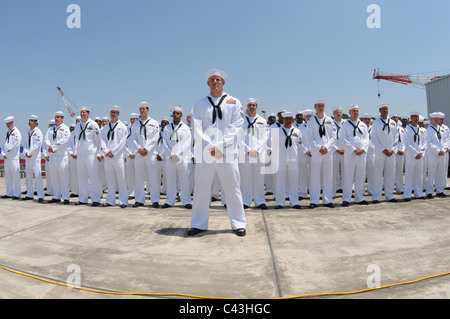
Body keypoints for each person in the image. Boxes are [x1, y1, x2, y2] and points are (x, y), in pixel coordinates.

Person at [188, 69, 247, 237]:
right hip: (205, 152)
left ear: (223, 83)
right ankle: (198, 223)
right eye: (212, 79)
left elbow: (236, 127)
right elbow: (197, 129)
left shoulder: (233, 102)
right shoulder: (199, 104)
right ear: (208, 83)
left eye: (218, 79)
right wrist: (209, 146)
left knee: (232, 187)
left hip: (226, 152)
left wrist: (220, 146)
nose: (215, 82)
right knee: (201, 188)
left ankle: (238, 223)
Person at [238, 98, 269, 210]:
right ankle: (246, 201)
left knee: (259, 179)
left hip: (258, 153)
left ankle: (260, 200)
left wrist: (256, 150)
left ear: (257, 107)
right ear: (247, 107)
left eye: (254, 105)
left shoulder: (262, 120)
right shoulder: (241, 121)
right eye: (250, 105)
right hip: (245, 154)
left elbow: (264, 137)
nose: (252, 107)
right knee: (245, 179)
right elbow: (238, 137)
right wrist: (247, 150)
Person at [306, 98, 337, 208]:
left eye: (322, 105)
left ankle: (327, 200)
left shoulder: (329, 119)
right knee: (315, 177)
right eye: (318, 105)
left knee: (328, 176)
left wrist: (327, 147)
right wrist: (319, 147)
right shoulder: (311, 121)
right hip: (316, 152)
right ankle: (314, 200)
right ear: (315, 107)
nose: (320, 107)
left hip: (327, 152)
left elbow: (334, 136)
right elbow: (309, 137)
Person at [130, 102, 161, 208]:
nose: (142, 111)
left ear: (148, 110)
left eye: (144, 109)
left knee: (153, 177)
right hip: (139, 154)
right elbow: (133, 138)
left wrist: (146, 148)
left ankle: (155, 200)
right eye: (140, 109)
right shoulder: (136, 124)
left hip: (150, 153)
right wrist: (139, 148)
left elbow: (155, 137)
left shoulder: (154, 123)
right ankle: (139, 199)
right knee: (139, 177)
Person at [161, 106, 192, 209]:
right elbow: (164, 142)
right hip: (170, 158)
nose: (175, 115)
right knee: (170, 179)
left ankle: (186, 201)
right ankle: (170, 200)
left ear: (181, 115)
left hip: (182, 158)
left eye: (177, 113)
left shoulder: (185, 128)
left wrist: (178, 155)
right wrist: (170, 155)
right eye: (174, 113)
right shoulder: (167, 128)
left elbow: (187, 143)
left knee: (184, 180)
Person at [99, 105, 128, 208]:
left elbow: (123, 141)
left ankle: (123, 200)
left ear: (118, 114)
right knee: (110, 179)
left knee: (121, 179)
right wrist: (106, 151)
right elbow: (102, 140)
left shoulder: (122, 126)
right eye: (111, 112)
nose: (113, 114)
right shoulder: (105, 127)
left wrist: (114, 152)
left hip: (118, 156)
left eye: (115, 112)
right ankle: (110, 200)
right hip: (107, 156)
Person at [271, 112, 301, 209]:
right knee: (280, 183)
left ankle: (294, 202)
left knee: (294, 182)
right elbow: (273, 145)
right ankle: (279, 203)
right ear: (283, 120)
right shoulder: (277, 131)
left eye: (290, 119)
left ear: (293, 120)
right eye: (286, 119)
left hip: (293, 160)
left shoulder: (297, 131)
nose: (288, 120)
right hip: (281, 160)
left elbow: (300, 145)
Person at [73, 106, 103, 206]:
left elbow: (98, 140)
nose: (82, 114)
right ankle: (83, 198)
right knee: (81, 177)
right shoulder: (77, 125)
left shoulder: (93, 124)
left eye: (84, 112)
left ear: (88, 113)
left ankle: (96, 199)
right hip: (80, 154)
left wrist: (97, 152)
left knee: (93, 177)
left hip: (90, 154)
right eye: (81, 112)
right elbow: (76, 140)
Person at [340, 105, 370, 206]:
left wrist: (362, 149)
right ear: (349, 112)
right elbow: (343, 139)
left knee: (360, 177)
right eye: (353, 111)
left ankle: (359, 197)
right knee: (348, 177)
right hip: (350, 154)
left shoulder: (363, 125)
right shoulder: (345, 124)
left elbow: (366, 139)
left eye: (357, 111)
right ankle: (346, 198)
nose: (355, 113)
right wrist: (353, 149)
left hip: (361, 154)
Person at [370, 103, 399, 203]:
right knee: (378, 174)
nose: (385, 111)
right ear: (380, 110)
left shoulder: (392, 123)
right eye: (383, 109)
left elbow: (396, 137)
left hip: (391, 152)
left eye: (386, 109)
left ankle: (389, 195)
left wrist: (392, 149)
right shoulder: (376, 123)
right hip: (380, 152)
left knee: (390, 174)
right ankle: (376, 196)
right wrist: (383, 149)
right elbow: (373, 137)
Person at [44, 111, 71, 204]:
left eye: (58, 117)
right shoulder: (51, 129)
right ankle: (56, 196)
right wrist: (49, 147)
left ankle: (66, 197)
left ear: (62, 118)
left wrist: (54, 147)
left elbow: (64, 140)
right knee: (54, 177)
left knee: (63, 177)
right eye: (55, 117)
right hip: (52, 156)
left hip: (61, 156)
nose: (56, 119)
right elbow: (46, 139)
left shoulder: (65, 128)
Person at [403, 111, 427, 201]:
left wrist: (420, 152)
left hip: (420, 156)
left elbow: (424, 142)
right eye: (415, 117)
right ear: (411, 118)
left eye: (418, 117)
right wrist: (415, 153)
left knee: (419, 175)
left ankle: (419, 193)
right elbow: (407, 143)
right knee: (409, 175)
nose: (417, 119)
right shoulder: (407, 130)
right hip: (411, 155)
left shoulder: (421, 130)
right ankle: (407, 195)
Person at [23, 115, 45, 202]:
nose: (30, 122)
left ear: (36, 122)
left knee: (37, 176)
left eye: (32, 120)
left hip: (35, 157)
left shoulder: (38, 132)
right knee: (28, 176)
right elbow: (24, 144)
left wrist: (30, 152)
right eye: (29, 120)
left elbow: (38, 144)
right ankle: (29, 194)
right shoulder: (27, 132)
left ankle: (40, 195)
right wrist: (25, 152)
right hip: (28, 157)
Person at [425, 113, 447, 198]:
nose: (437, 120)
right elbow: (429, 142)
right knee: (431, 173)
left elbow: (445, 141)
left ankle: (440, 190)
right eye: (435, 119)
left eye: (438, 118)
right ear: (431, 119)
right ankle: (429, 191)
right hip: (433, 154)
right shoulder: (429, 130)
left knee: (441, 173)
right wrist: (437, 151)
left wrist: (444, 149)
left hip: (442, 154)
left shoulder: (441, 129)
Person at [1, 116, 22, 199]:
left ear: (12, 123)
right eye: (6, 124)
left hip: (13, 158)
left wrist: (8, 154)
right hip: (6, 158)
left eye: (9, 123)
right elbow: (3, 144)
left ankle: (17, 193)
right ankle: (9, 192)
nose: (7, 125)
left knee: (15, 176)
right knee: (8, 176)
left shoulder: (16, 132)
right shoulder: (6, 132)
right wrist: (3, 153)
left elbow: (16, 145)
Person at [297, 109, 313, 200]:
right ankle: (303, 192)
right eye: (307, 116)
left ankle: (313, 192)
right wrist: (306, 150)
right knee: (303, 174)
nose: (308, 118)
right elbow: (299, 141)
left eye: (310, 116)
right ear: (304, 117)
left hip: (314, 153)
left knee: (313, 174)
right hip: (303, 153)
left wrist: (312, 150)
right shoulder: (300, 128)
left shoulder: (316, 127)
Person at [332, 106, 346, 196]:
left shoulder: (346, 123)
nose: (338, 114)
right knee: (334, 171)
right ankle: (336, 188)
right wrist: (336, 149)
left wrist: (346, 148)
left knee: (346, 171)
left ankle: (346, 188)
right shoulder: (330, 123)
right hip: (334, 150)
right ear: (333, 114)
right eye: (336, 112)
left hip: (345, 150)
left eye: (340, 112)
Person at [361, 113, 375, 196]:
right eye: (365, 119)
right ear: (362, 120)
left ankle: (371, 190)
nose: (367, 121)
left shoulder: (374, 129)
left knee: (372, 173)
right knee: (361, 173)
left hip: (372, 152)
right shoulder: (360, 128)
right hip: (362, 153)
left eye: (368, 119)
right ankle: (361, 190)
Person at [125, 113, 139, 199]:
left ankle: (138, 193)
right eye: (131, 119)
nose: (133, 121)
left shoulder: (140, 128)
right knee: (130, 175)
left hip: (138, 155)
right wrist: (129, 153)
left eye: (135, 119)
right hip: (129, 155)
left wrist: (136, 152)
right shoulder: (127, 129)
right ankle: (131, 192)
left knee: (139, 175)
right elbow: (124, 143)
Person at [391, 113, 405, 194]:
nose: (395, 119)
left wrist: (402, 149)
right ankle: (390, 188)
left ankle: (400, 189)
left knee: (400, 172)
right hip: (393, 153)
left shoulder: (401, 129)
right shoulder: (389, 128)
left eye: (396, 117)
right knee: (391, 172)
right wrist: (396, 150)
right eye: (393, 117)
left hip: (401, 153)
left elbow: (404, 141)